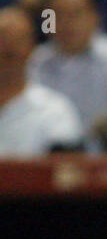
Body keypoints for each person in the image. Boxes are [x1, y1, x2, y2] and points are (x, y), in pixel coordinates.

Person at [26, 0, 107, 136]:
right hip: (47, 155)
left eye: (76, 13)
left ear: (95, 17)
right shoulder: (33, 62)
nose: (67, 22)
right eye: (58, 15)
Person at [0, 8, 83, 156]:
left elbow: (63, 171)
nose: (7, 48)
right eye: (2, 40)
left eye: (16, 41)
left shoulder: (55, 110)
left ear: (31, 48)